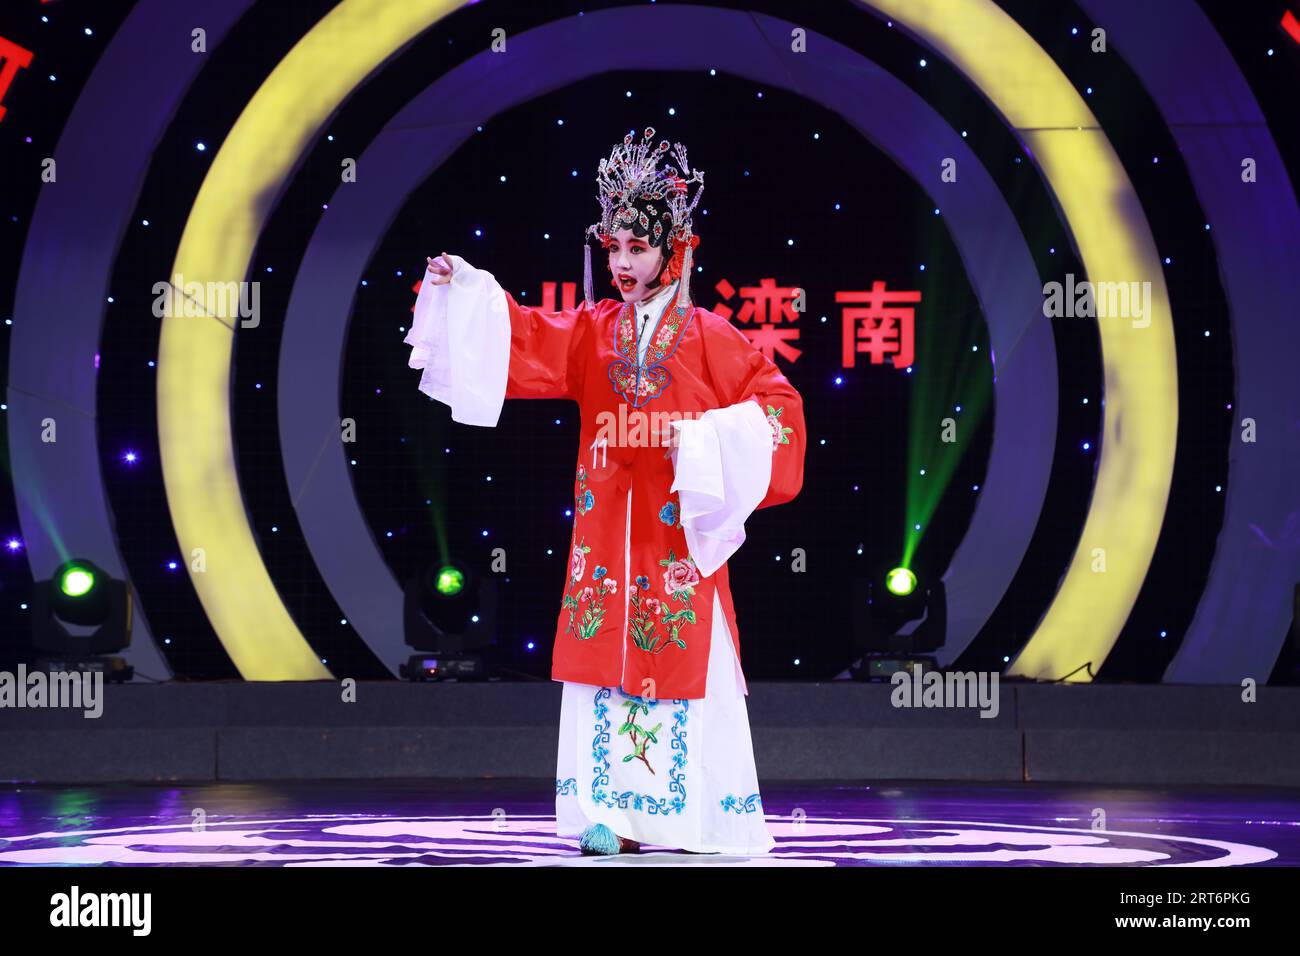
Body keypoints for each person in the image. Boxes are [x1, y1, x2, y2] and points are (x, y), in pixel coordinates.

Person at [406, 127, 805, 855]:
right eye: (613, 249)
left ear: (675, 252)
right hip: (603, 545)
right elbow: (524, 336)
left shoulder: (713, 337)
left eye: (638, 249)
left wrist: (704, 441)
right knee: (602, 666)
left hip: (672, 544)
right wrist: (461, 286)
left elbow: (778, 413)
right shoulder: (595, 331)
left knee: (682, 660)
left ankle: (695, 821)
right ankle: (613, 820)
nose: (622, 264)